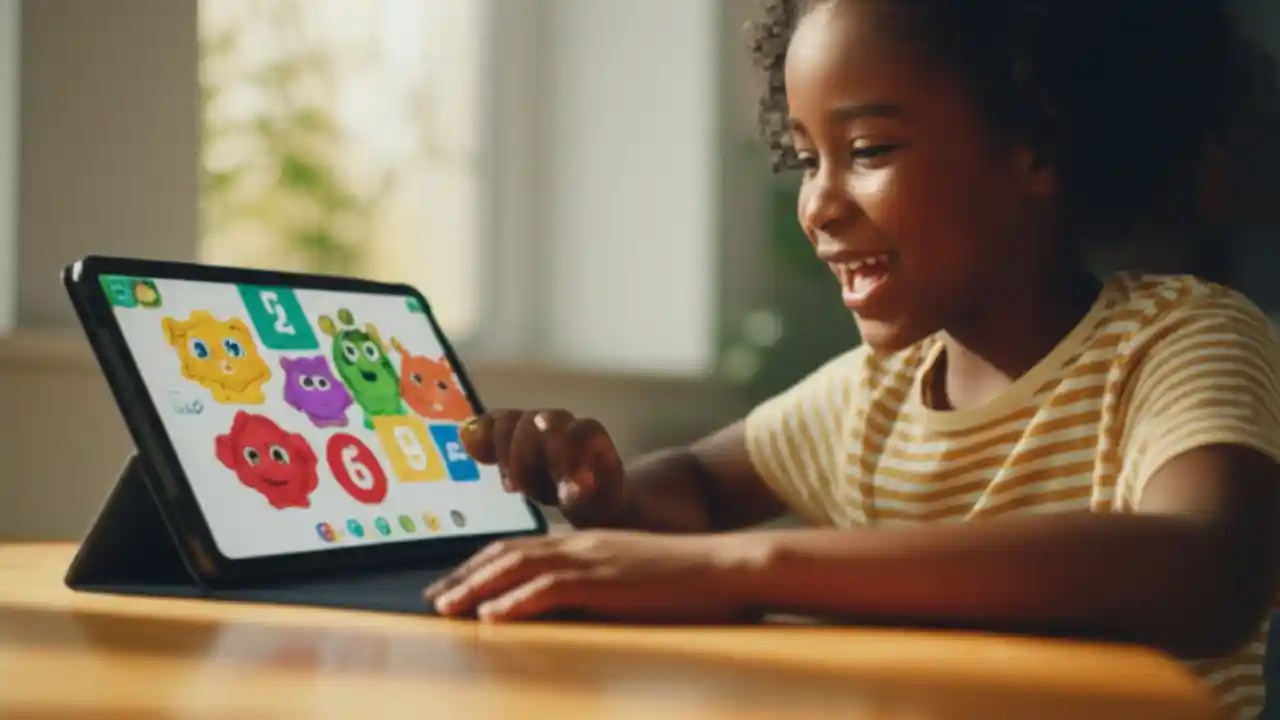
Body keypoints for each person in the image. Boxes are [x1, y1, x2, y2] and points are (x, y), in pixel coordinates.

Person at [423, 1, 1280, 715]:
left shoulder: (1180, 341)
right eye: (806, 159)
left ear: (1039, 148)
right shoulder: (873, 397)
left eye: (867, 151)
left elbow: (1209, 568)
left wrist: (745, 567)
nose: (819, 206)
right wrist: (604, 490)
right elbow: (697, 481)